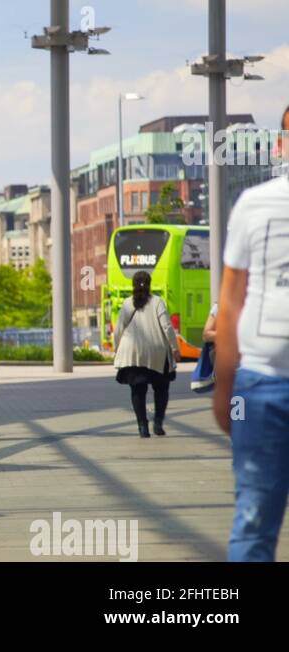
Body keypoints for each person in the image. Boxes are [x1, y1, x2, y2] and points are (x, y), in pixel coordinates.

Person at [214, 115, 289, 561]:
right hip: (261, 385)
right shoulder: (254, 204)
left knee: (254, 520)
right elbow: (231, 303)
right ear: (281, 144)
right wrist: (226, 389)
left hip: (257, 390)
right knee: (254, 518)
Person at [113, 270, 181, 438]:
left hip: (133, 353)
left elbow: (118, 329)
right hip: (157, 352)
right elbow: (167, 327)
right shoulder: (158, 302)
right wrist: (174, 348)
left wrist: (117, 349)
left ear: (133, 285)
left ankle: (143, 426)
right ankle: (158, 422)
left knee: (138, 390)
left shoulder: (128, 303)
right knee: (161, 388)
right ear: (149, 284)